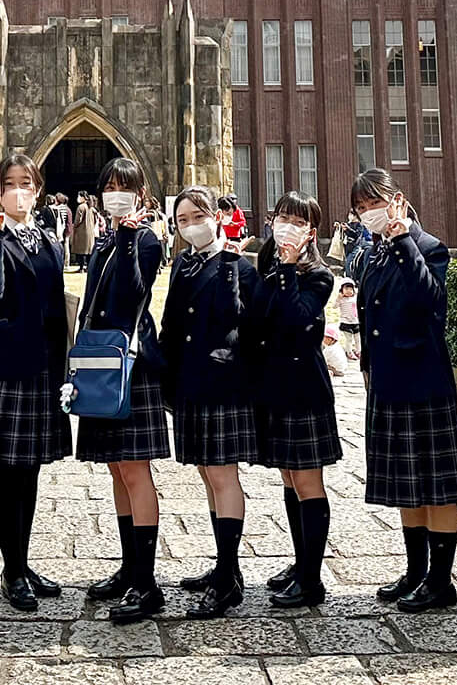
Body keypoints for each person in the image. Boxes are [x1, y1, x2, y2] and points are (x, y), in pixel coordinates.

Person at [349, 168, 457, 612]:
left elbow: (429, 301)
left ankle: (441, 580)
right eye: (361, 208)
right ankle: (416, 570)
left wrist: (402, 241)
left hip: (423, 382)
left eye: (373, 204)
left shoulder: (426, 246)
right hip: (387, 380)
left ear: (396, 200)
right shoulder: (375, 253)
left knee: (436, 486)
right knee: (405, 484)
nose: (368, 214)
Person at [0, 151, 71, 611]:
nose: (18, 191)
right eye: (10, 183)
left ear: (38, 189)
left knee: (29, 471)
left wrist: (65, 367)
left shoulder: (50, 241)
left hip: (43, 368)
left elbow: (55, 306)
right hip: (6, 367)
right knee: (8, 471)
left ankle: (23, 562)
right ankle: (11, 569)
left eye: (26, 182)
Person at [75, 156, 169, 624]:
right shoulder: (106, 240)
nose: (116, 192)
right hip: (102, 361)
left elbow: (132, 296)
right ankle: (130, 568)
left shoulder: (144, 240)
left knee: (135, 471)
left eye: (124, 186)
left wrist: (131, 238)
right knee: (117, 470)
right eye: (109, 185)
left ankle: (148, 583)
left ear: (140, 195)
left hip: (132, 365)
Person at [162, 186, 260, 619]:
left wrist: (226, 265)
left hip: (224, 382)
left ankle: (229, 574)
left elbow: (240, 317)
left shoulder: (238, 264)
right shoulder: (184, 263)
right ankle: (224, 564)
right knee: (206, 471)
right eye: (181, 220)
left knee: (222, 474)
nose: (190, 226)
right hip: (190, 381)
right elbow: (170, 319)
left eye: (196, 216)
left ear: (217, 215)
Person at [252, 191, 341, 609]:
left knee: (308, 482)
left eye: (298, 221)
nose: (287, 225)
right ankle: (300, 561)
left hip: (305, 390)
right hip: (275, 387)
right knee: (289, 478)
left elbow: (297, 318)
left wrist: (289, 269)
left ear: (311, 231)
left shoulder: (318, 276)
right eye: (283, 216)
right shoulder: (267, 266)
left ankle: (312, 579)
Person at [71, 192, 99, 271]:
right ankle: (88, 267)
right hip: (90, 232)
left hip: (81, 232)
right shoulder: (91, 207)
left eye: (79, 196)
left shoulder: (81, 207)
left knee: (80, 251)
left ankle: (81, 267)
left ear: (83, 197)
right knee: (88, 251)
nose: (78, 198)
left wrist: (74, 226)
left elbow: (78, 220)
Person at [337, 279, 362, 360]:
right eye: (346, 289)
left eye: (350, 289)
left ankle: (359, 351)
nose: (349, 291)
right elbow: (334, 306)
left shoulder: (355, 298)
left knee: (358, 338)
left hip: (355, 321)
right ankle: (349, 352)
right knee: (349, 339)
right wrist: (338, 298)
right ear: (341, 290)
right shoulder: (341, 299)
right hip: (345, 322)